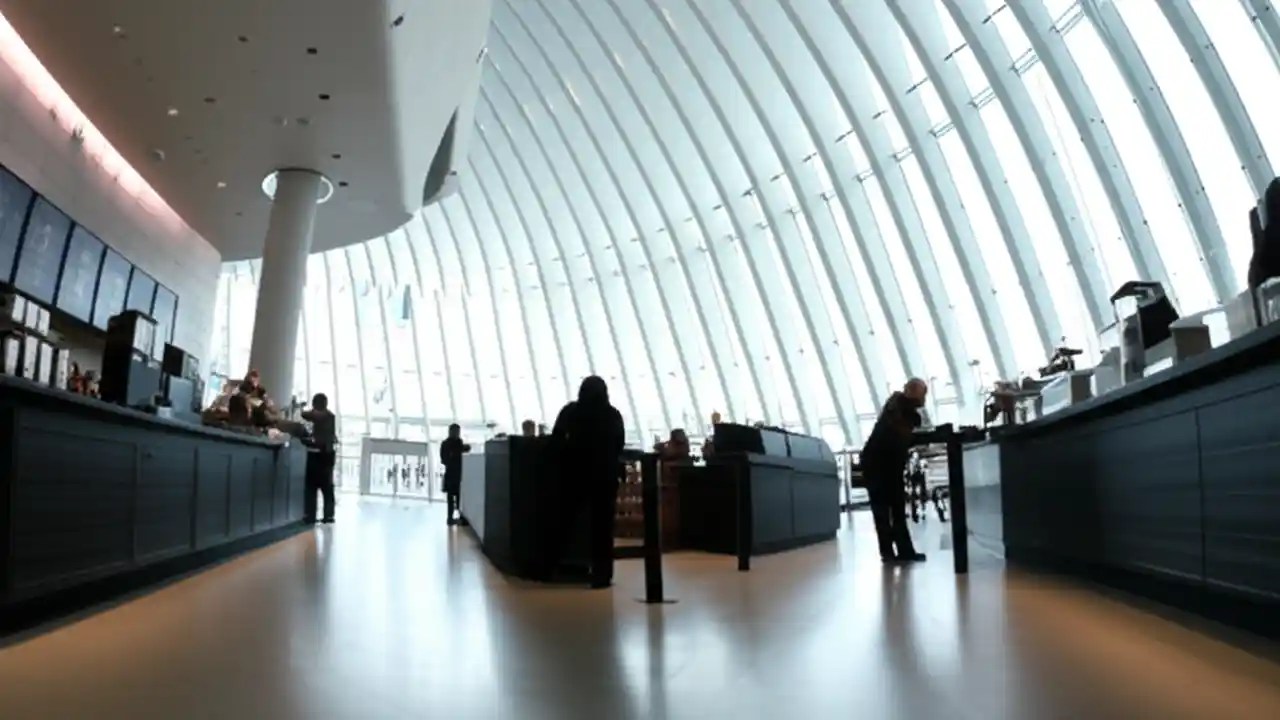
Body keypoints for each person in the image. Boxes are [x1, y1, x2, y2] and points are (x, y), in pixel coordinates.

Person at [552, 376, 626, 589]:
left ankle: (569, 565)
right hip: (605, 476)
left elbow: (557, 439)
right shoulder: (612, 415)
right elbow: (618, 444)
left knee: (569, 521)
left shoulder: (571, 412)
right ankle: (602, 574)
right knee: (603, 527)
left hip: (575, 474)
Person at [861, 378, 929, 564]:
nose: (925, 399)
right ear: (913, 392)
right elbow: (901, 432)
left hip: (885, 463)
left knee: (894, 507)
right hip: (878, 464)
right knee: (884, 508)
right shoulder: (898, 407)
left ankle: (899, 551)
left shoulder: (898, 407)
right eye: (923, 393)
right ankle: (891, 553)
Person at [301, 393, 338, 524]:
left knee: (312, 486)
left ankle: (310, 515)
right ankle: (328, 515)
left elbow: (308, 415)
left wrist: (300, 410)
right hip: (327, 455)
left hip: (319, 455)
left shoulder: (323, 416)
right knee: (327, 486)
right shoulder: (330, 416)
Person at [440, 424, 470, 526]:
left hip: (457, 474)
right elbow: (444, 460)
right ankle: (451, 517)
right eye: (456, 432)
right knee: (452, 498)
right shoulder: (446, 444)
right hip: (452, 474)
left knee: (458, 498)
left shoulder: (458, 443)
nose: (457, 434)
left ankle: (458, 517)